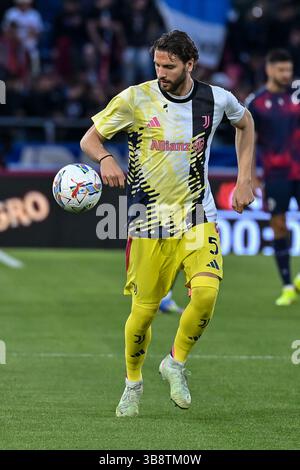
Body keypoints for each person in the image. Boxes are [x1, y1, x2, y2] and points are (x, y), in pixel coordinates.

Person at [80, 30, 255, 417]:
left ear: (190, 64)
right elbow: (90, 140)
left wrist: (245, 177)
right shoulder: (135, 98)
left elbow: (246, 124)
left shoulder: (216, 98)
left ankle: (175, 363)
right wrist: (106, 159)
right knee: (142, 314)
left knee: (206, 295)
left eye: (169, 66)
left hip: (198, 215)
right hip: (148, 220)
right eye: (157, 64)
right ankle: (133, 383)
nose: (161, 71)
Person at [247, 49, 300, 306]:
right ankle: (288, 286)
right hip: (275, 174)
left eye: (289, 70)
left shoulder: (298, 92)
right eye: (281, 70)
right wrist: (250, 175)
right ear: (269, 70)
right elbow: (249, 141)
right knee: (279, 225)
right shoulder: (256, 102)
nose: (286, 75)